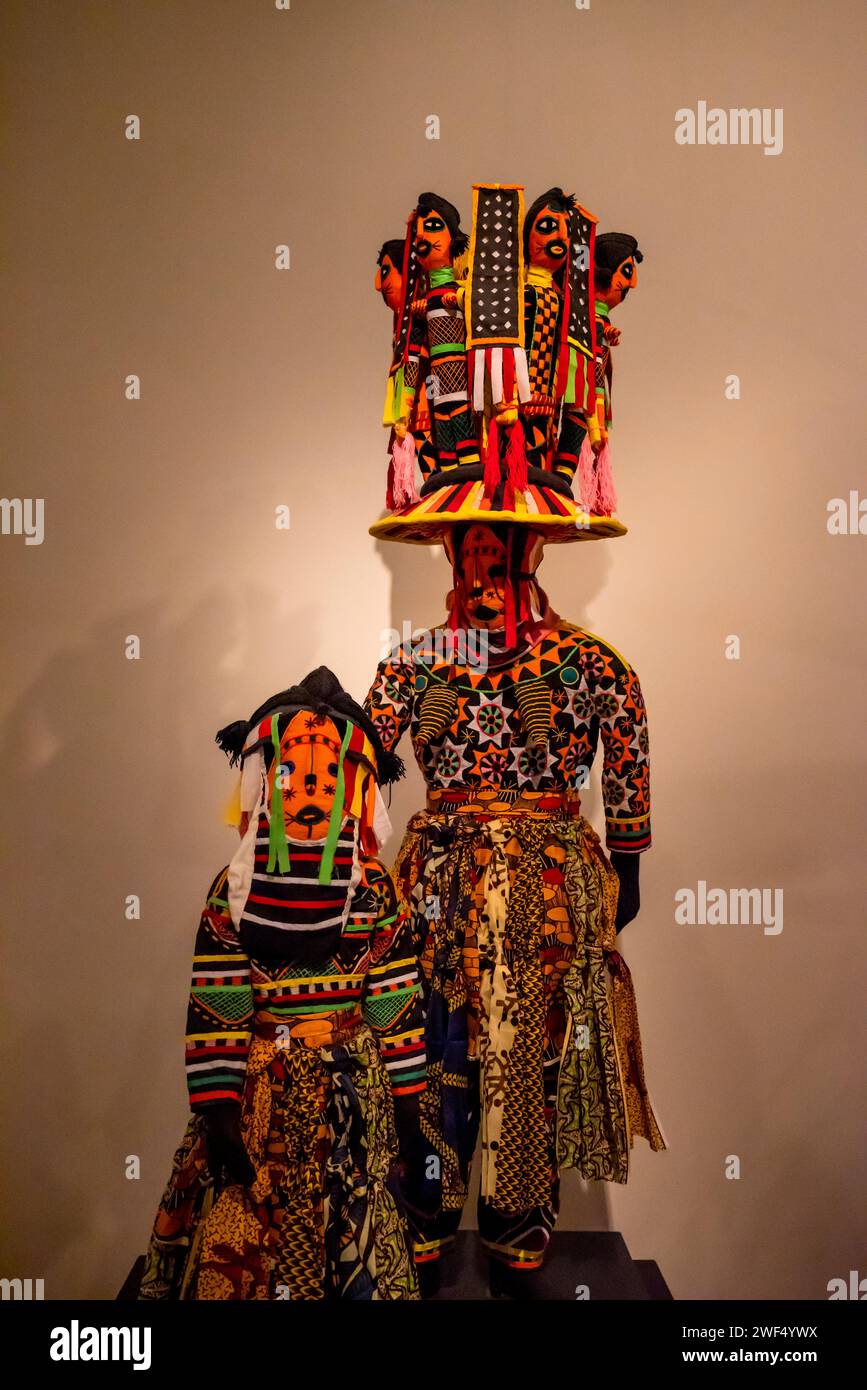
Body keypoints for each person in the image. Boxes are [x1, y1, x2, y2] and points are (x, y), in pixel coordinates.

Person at [364, 510, 665, 1298]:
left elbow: (628, 786)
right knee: (430, 1053)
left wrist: (616, 883)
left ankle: (514, 1244)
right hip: (439, 886)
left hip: (545, 889)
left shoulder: (592, 664)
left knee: (528, 1066)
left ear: (535, 549)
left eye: (501, 547)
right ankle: (424, 1233)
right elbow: (363, 777)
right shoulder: (412, 665)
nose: (484, 566)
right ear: (449, 551)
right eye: (472, 548)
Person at [139, 668, 426, 1301]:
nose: (312, 791)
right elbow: (218, 1007)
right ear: (268, 778)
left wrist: (409, 1104)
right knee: (250, 1231)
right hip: (256, 1093)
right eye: (295, 772)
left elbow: (395, 999)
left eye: (330, 775)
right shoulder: (233, 893)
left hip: (350, 1089)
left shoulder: (376, 891)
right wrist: (216, 1112)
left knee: (350, 1223)